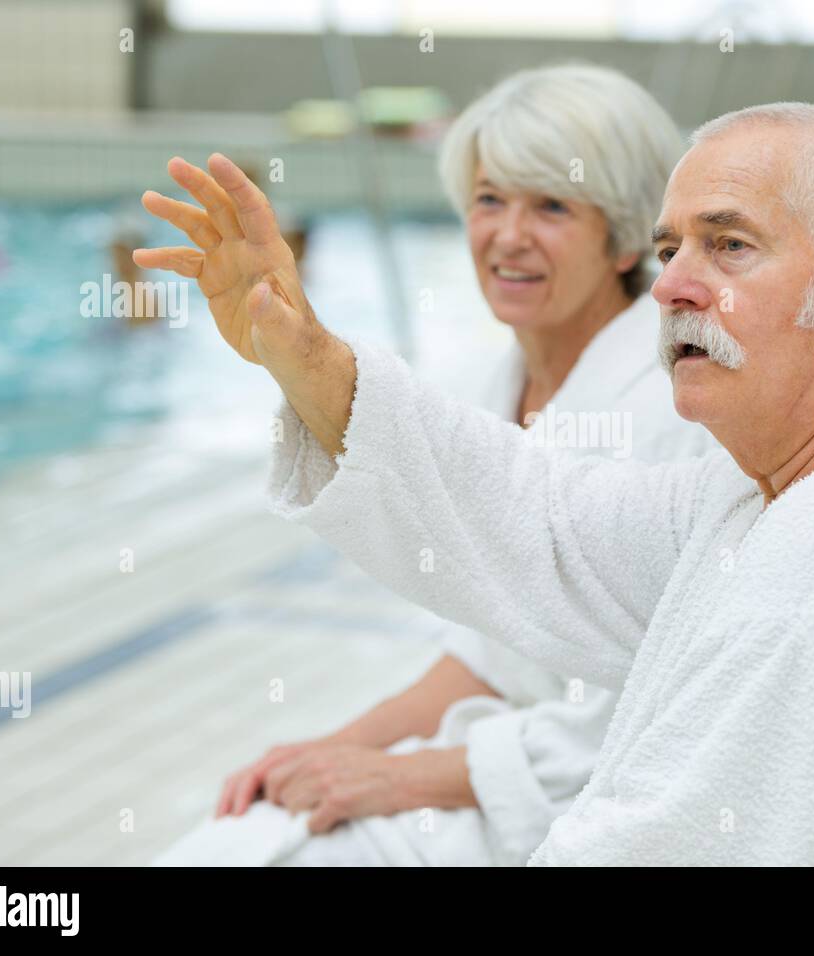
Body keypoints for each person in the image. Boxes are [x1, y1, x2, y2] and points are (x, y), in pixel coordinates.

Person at [136, 101, 814, 865]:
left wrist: (404, 779)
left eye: (731, 246)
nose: (674, 284)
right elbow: (540, 522)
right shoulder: (788, 493)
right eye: (673, 248)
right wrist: (306, 356)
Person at [151, 65, 713, 867]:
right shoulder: (495, 386)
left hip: (585, 810)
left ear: (627, 235)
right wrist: (327, 751)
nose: (508, 235)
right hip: (490, 771)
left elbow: (675, 719)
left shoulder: (681, 408)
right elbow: (490, 652)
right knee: (232, 841)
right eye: (490, 200)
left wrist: (400, 777)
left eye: (551, 205)